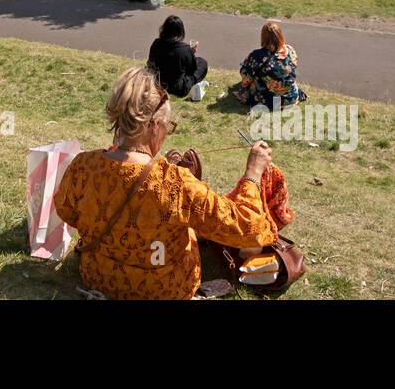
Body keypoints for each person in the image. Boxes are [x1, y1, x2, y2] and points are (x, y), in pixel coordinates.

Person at [51, 66, 276, 301]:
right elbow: (247, 229)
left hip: (99, 277)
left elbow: (67, 212)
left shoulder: (85, 165)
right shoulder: (176, 182)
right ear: (155, 126)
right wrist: (253, 173)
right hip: (163, 289)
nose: (167, 132)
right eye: (168, 126)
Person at [230, 21, 306, 108]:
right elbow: (293, 67)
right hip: (291, 97)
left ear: (263, 37)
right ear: (280, 35)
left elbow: (246, 76)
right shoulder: (289, 50)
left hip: (272, 102)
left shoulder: (257, 55)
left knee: (252, 76)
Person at [146, 16, 209, 100]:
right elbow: (192, 69)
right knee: (202, 62)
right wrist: (191, 53)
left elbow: (151, 62)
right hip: (177, 89)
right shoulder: (184, 49)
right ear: (180, 31)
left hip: (156, 82)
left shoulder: (156, 43)